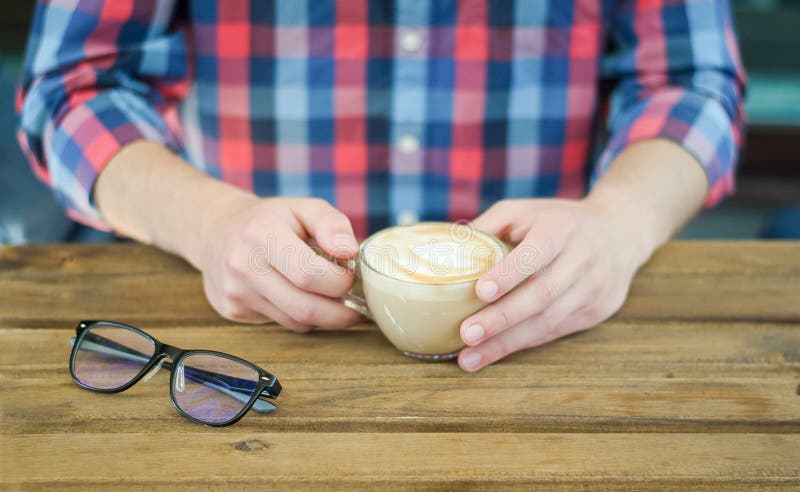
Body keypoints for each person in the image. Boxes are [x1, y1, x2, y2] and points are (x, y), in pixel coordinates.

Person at [17, 1, 746, 372]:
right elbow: (76, 86)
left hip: (548, 332)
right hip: (248, 338)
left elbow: (690, 80)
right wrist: (211, 225)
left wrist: (620, 221)